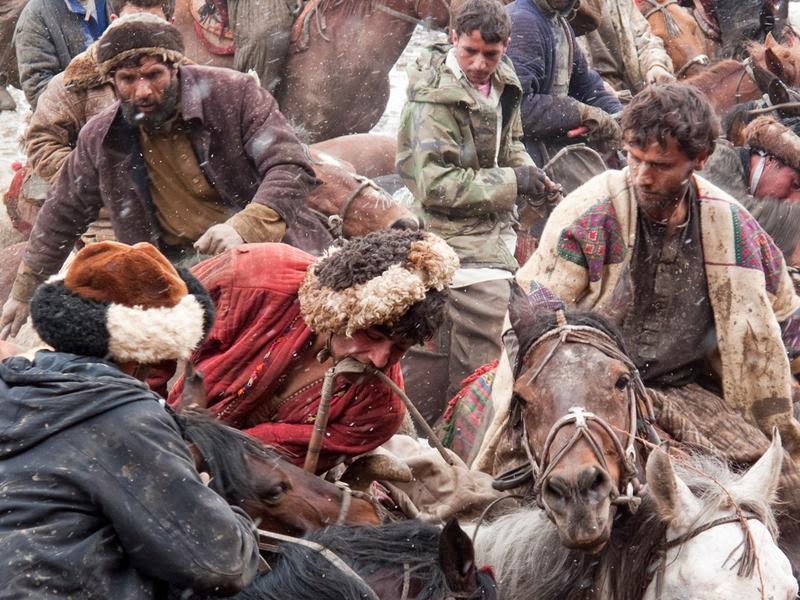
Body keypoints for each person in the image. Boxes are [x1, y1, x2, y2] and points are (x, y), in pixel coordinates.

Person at [474, 85, 800, 551]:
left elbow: (784, 315)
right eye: (634, 159)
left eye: (661, 166)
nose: (643, 177)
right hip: (583, 384)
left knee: (786, 484)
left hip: (685, 389)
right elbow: (533, 313)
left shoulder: (732, 225)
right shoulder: (590, 213)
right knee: (508, 493)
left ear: (700, 160)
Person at [0, 16, 318, 339]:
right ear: (111, 82)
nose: (143, 91)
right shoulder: (100, 137)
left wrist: (245, 227)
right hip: (172, 272)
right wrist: (23, 292)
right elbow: (62, 213)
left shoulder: (235, 94)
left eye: (154, 75)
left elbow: (291, 166)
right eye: (128, 79)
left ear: (175, 68)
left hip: (268, 249)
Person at [0, 240, 259, 598]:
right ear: (142, 354)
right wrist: (227, 513)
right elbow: (221, 564)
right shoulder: (124, 415)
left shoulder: (10, 384)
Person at [154, 229, 457, 474]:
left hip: (242, 491)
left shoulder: (379, 411)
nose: (379, 361)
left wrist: (197, 458)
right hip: (154, 433)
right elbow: (153, 326)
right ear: (339, 307)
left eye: (399, 349)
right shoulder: (252, 278)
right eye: (373, 334)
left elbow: (268, 471)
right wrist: (145, 412)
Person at [395, 0, 559, 422]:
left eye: (491, 54)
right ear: (453, 39)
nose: (480, 64)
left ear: (505, 46)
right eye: (470, 51)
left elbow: (513, 142)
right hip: (448, 235)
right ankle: (464, 435)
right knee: (488, 350)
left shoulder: (504, 81)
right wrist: (510, 183)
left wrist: (529, 173)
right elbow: (435, 187)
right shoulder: (433, 98)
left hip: (493, 228)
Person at [25, 0, 177, 184]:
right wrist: (91, 181)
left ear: (171, 25)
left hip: (171, 202)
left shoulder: (191, 79)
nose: (141, 36)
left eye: (152, 24)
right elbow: (42, 141)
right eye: (131, 24)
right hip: (98, 205)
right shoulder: (77, 79)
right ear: (114, 21)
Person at [506, 0, 624, 165]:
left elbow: (587, 86)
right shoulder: (523, 21)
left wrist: (620, 117)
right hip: (522, 149)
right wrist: (581, 113)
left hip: (550, 140)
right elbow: (518, 108)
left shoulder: (559, 23)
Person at [14, 0, 111, 108]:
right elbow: (38, 88)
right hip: (76, 116)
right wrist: (100, 102)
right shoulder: (36, 14)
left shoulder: (115, 4)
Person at [576, 0, 674, 98]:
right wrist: (595, 88)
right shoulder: (565, 7)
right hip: (590, 98)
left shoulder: (621, 3)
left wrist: (656, 66)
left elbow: (645, 39)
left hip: (633, 93)